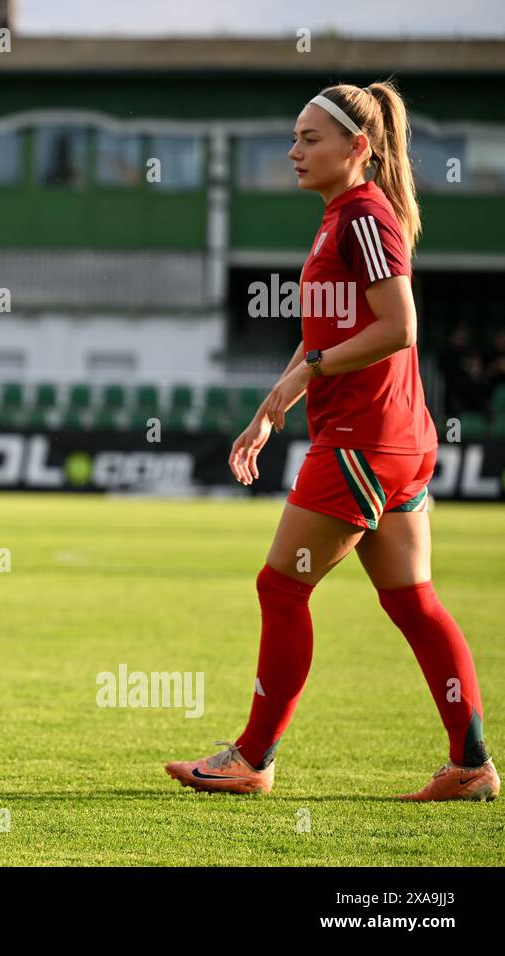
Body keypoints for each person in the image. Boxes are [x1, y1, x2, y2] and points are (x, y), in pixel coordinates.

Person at [165, 81, 496, 801]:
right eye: (293, 137)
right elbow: (327, 334)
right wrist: (273, 402)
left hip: (363, 441)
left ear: (358, 148)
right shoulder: (341, 217)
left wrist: (305, 374)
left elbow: (399, 327)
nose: (294, 151)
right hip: (392, 441)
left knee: (281, 586)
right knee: (411, 600)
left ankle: (252, 758)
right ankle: (471, 766)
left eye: (310, 139)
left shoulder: (363, 219)